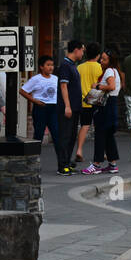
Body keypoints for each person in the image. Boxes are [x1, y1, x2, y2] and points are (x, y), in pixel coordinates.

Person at [54, 40, 85, 176]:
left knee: (72, 136)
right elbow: (63, 86)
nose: (83, 53)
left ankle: (67, 162)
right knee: (65, 136)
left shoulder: (73, 65)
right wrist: (67, 105)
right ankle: (62, 165)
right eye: (82, 50)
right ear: (76, 50)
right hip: (68, 108)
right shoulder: (65, 65)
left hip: (75, 107)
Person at [89, 48, 122, 173]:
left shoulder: (108, 71)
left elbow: (111, 86)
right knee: (108, 135)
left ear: (110, 61)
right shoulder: (115, 71)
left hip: (106, 105)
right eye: (101, 58)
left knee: (100, 134)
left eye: (104, 59)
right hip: (112, 104)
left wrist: (97, 86)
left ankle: (96, 165)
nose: (101, 61)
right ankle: (113, 164)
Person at [21, 56, 60, 151]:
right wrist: (34, 101)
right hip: (40, 107)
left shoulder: (56, 78)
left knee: (56, 134)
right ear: (41, 67)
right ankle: (35, 157)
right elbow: (22, 91)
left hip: (53, 108)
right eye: (48, 65)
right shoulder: (36, 79)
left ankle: (63, 159)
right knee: (39, 134)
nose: (51, 67)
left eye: (52, 65)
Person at [73, 42, 103, 165]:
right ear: (98, 55)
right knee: (99, 128)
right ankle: (102, 152)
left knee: (85, 125)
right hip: (96, 101)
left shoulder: (79, 67)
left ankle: (79, 150)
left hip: (83, 101)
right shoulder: (100, 67)